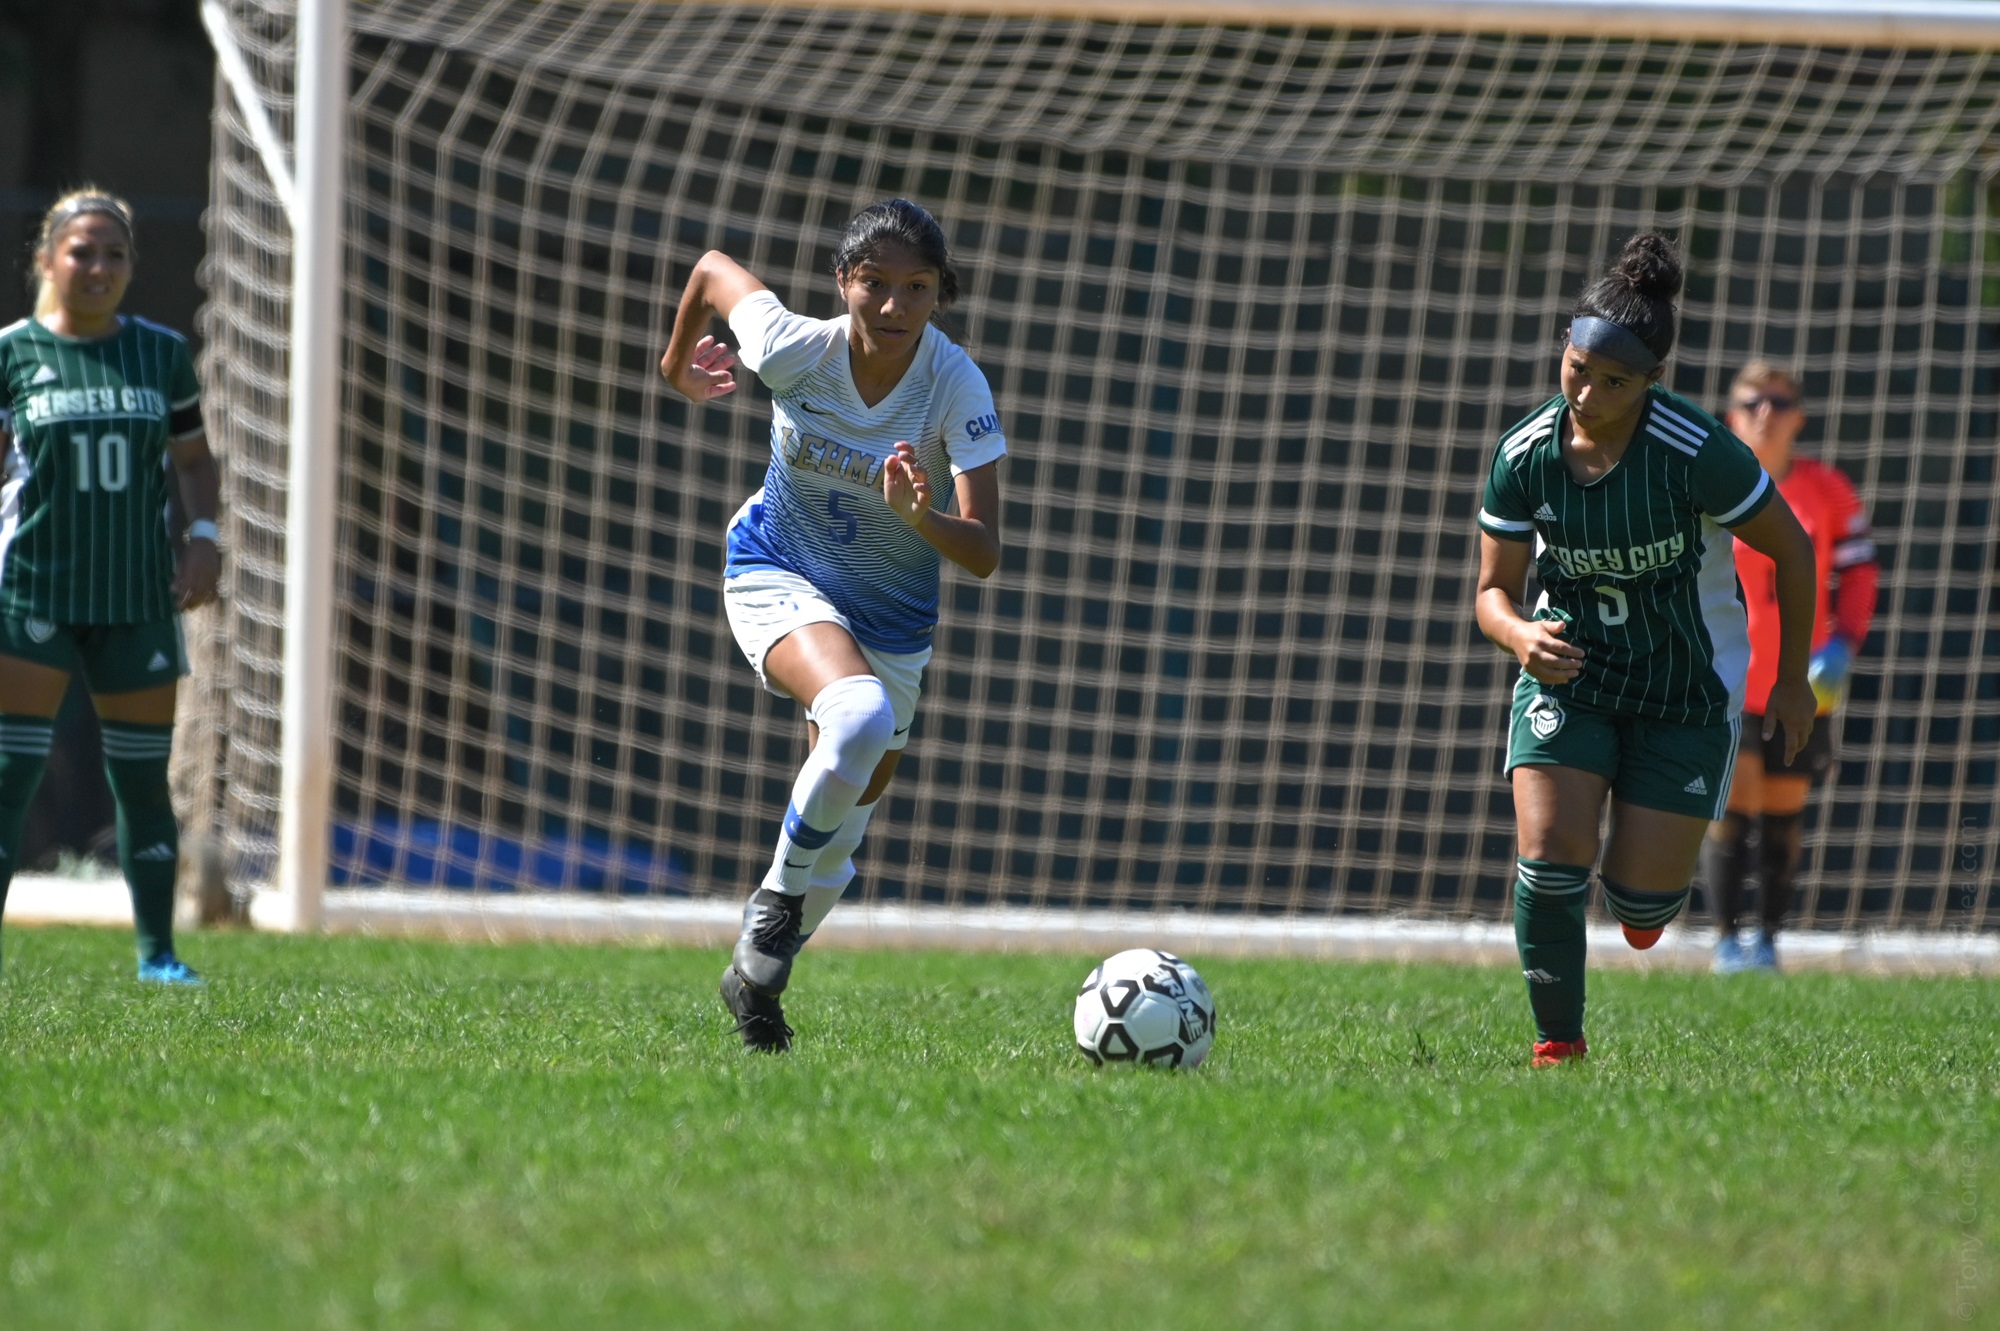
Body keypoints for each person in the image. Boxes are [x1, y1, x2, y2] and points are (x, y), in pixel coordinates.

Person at [658, 199, 1005, 1051]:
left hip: (893, 621)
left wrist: (918, 518)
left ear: (940, 295)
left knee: (841, 845)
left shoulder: (954, 385)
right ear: (841, 282)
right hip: (775, 571)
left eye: (915, 288)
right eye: (873, 284)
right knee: (856, 716)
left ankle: (758, 981)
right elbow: (709, 267)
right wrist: (678, 370)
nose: (892, 307)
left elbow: (986, 550)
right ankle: (773, 900)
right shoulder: (791, 349)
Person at [1474, 233, 1818, 1067]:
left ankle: (1642, 877)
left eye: (1614, 381)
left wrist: (1792, 680)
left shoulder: (1695, 451)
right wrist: (1523, 635)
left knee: (1642, 912)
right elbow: (1492, 592)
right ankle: (1558, 1044)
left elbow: (1794, 550)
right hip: (1574, 679)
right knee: (1551, 858)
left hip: (1685, 695)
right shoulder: (1525, 455)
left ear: (1651, 383)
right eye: (1576, 368)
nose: (1587, 391)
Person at [0, 188, 220, 983]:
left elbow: (193, 461)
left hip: (135, 597)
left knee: (141, 778)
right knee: (9, 774)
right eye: (82, 251)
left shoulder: (160, 353)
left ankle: (158, 955)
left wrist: (204, 539)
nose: (98, 266)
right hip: (33, 591)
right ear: (47, 260)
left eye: (114, 253)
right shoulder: (12, 352)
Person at [1703, 363, 1877, 973]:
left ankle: (1769, 943)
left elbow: (1859, 571)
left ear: (1798, 416)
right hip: (1727, 679)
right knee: (1732, 805)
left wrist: (1845, 641)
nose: (1765, 412)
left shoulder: (1828, 490)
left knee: (1783, 814)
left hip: (1802, 683)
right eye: (1753, 401)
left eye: (1779, 401)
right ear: (1732, 414)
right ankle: (1726, 941)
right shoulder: (1714, 487)